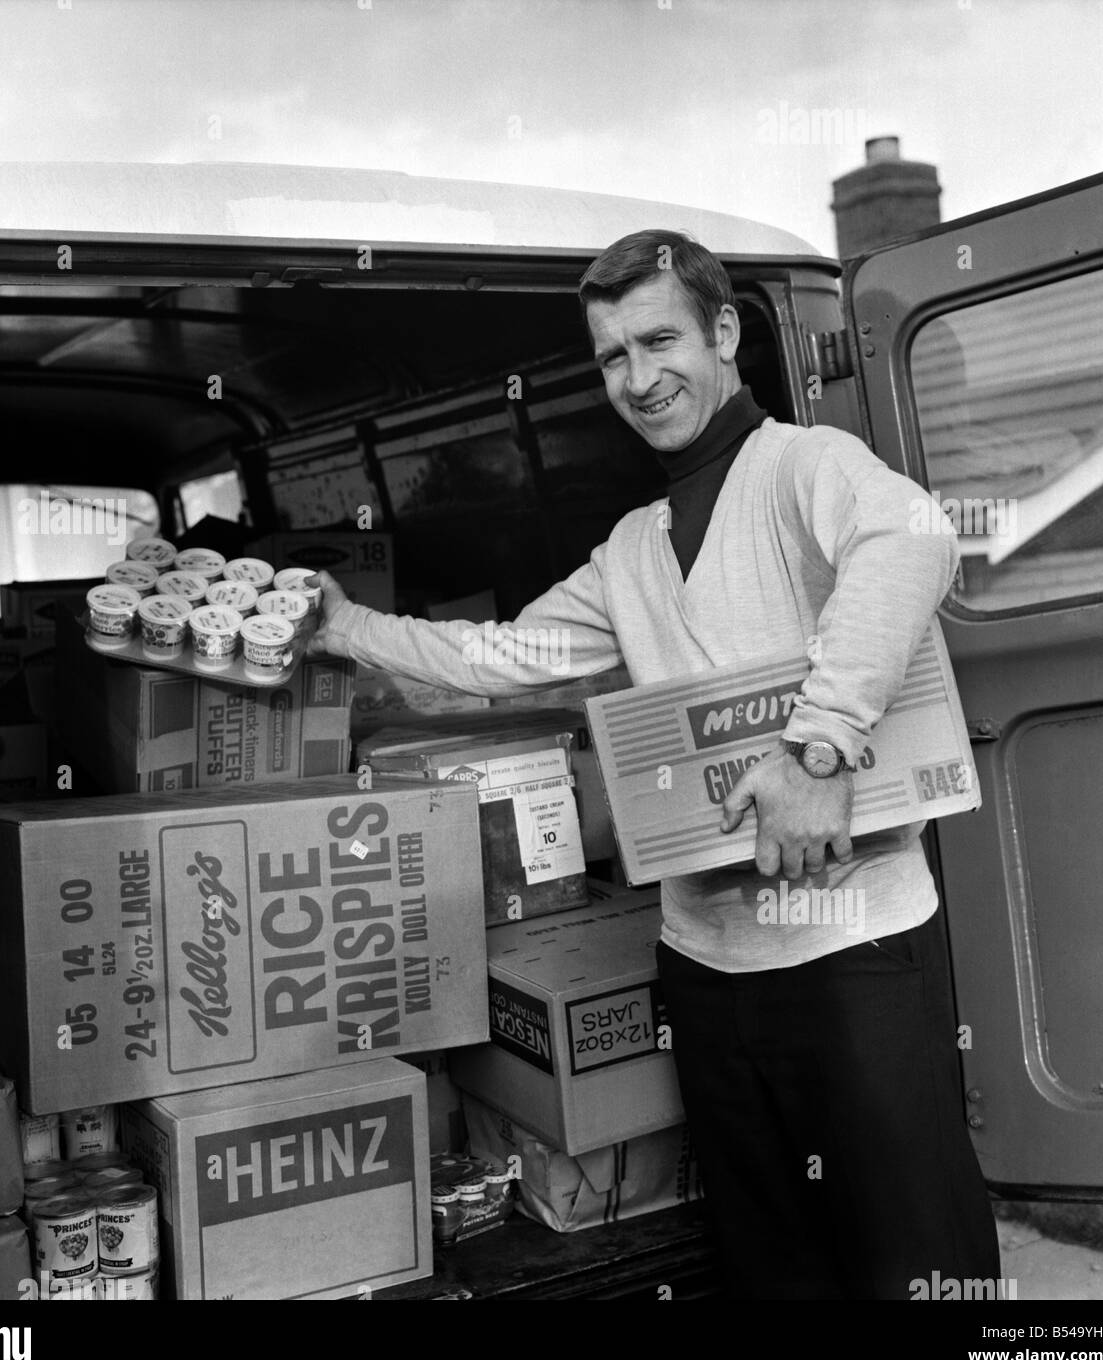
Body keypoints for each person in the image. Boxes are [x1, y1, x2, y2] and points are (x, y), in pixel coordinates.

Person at [306, 229, 1001, 1299]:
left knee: (911, 1256)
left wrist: (819, 745)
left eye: (659, 340)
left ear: (722, 333)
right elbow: (501, 658)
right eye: (612, 356)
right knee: (773, 1263)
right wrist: (345, 625)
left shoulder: (803, 465)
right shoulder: (630, 548)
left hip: (850, 946)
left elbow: (911, 537)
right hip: (706, 964)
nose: (637, 377)